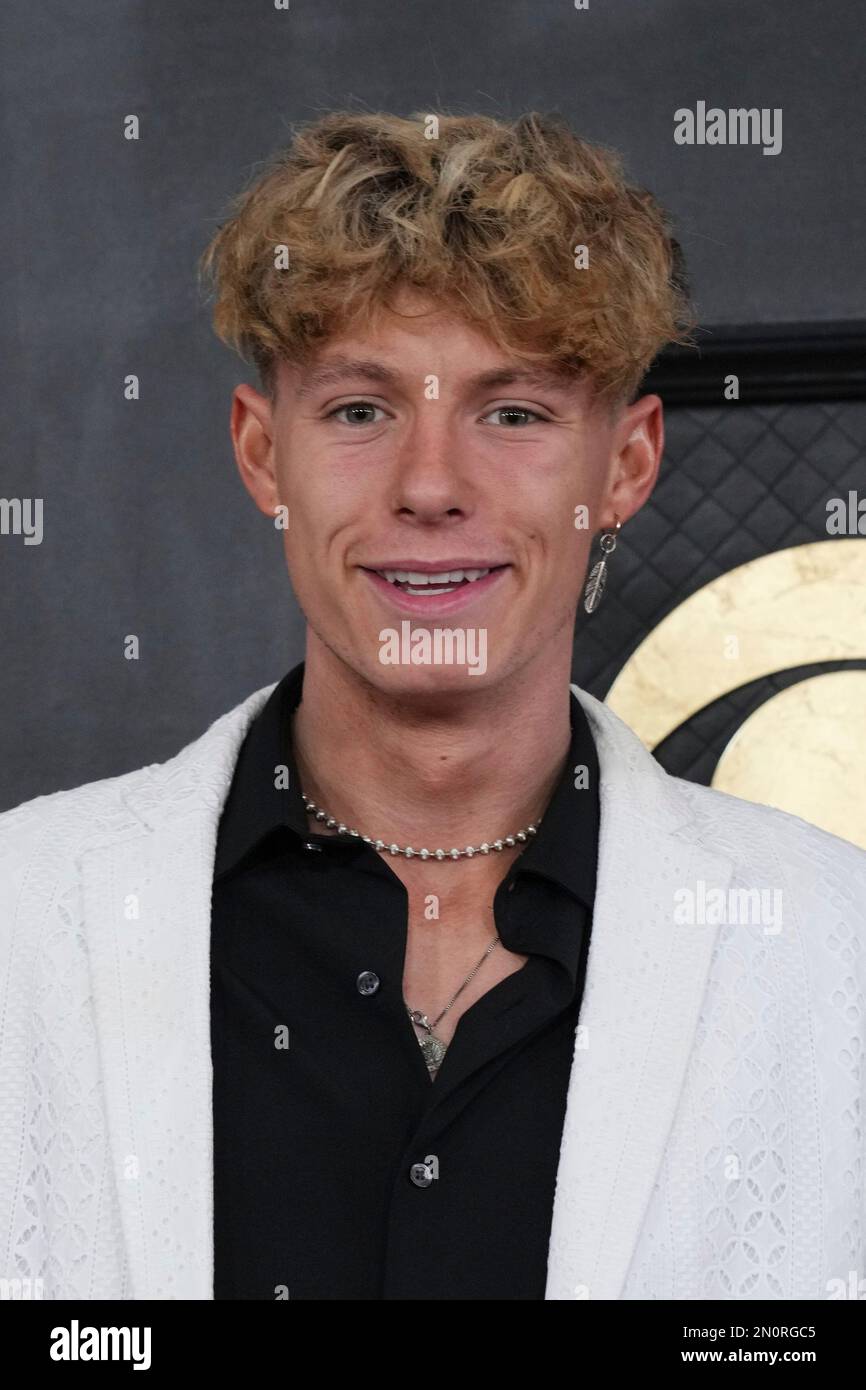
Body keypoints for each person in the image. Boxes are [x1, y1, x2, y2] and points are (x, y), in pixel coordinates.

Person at [1, 111, 864, 1301]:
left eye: (510, 413)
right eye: (359, 410)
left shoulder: (835, 952)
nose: (428, 485)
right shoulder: (24, 920)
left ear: (625, 463)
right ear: (263, 454)